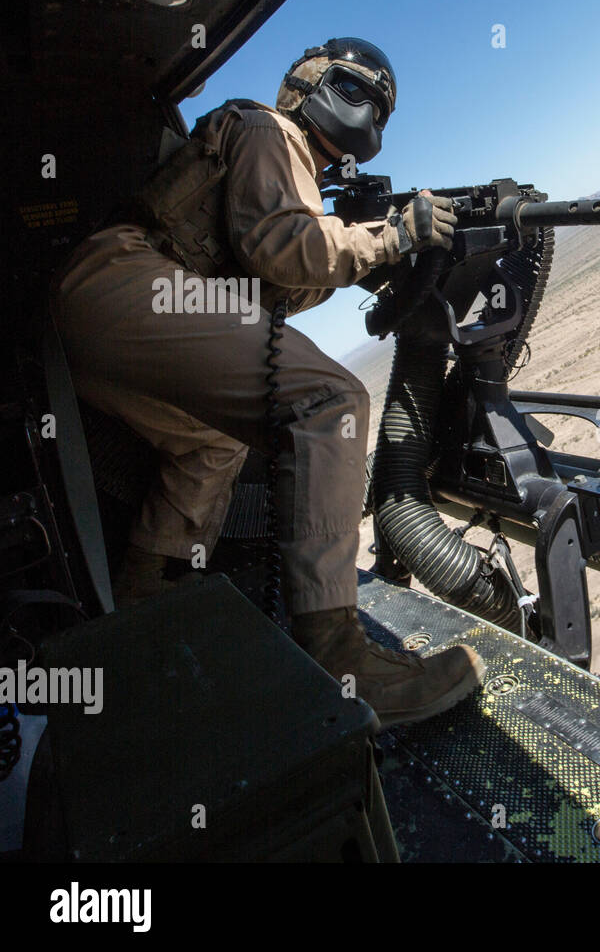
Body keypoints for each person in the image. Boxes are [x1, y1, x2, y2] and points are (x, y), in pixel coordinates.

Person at [52, 38, 482, 727]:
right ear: (324, 88)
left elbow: (272, 283)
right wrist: (391, 237)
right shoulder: (267, 129)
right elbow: (283, 249)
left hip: (114, 302)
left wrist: (364, 249)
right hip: (128, 282)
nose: (368, 117)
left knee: (212, 442)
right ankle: (343, 656)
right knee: (333, 399)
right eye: (365, 98)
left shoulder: (285, 156)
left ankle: (146, 629)